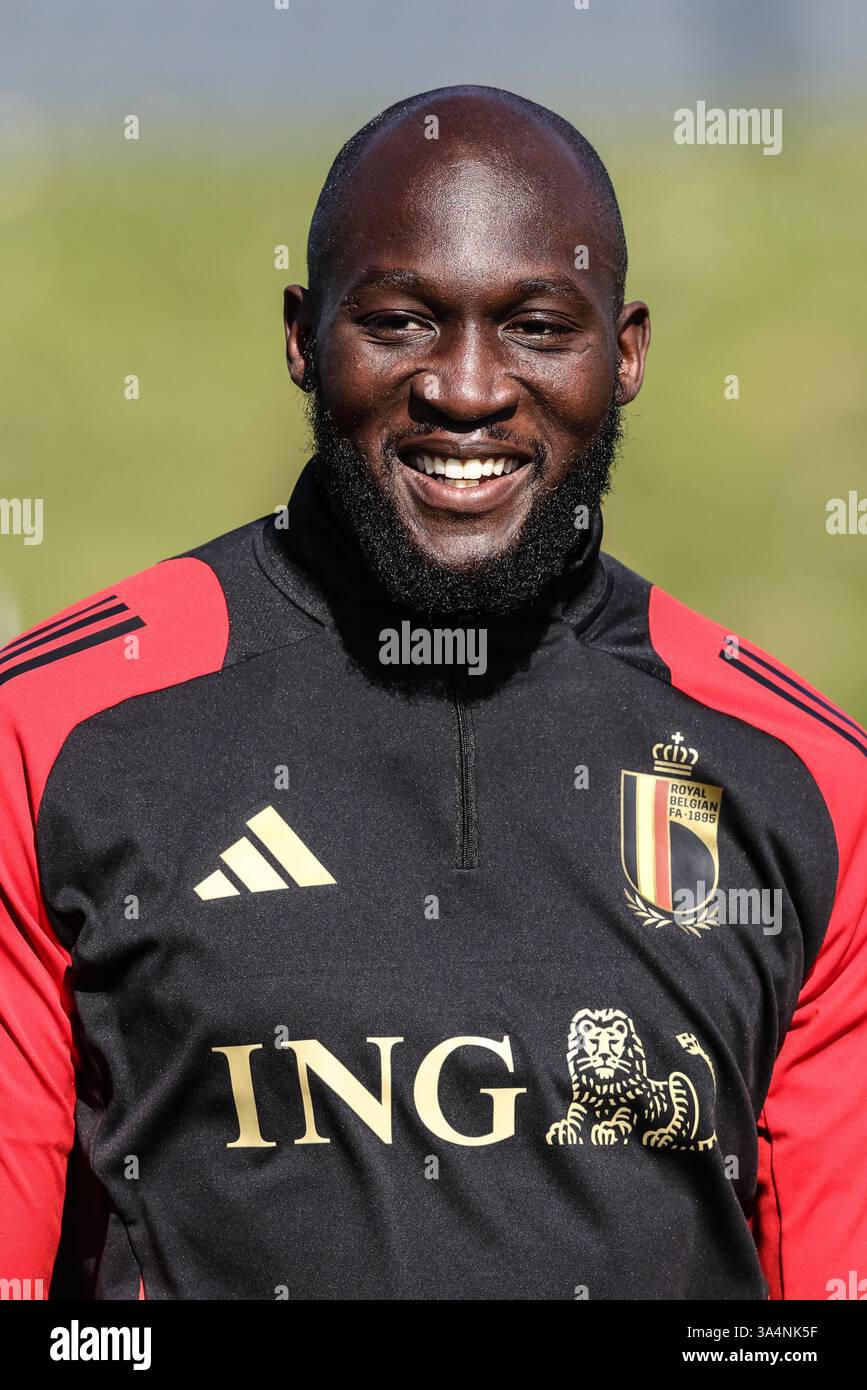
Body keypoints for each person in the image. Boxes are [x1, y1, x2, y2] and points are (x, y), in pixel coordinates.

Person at [1, 85, 865, 1302]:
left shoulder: (810, 782)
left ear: (625, 355)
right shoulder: (53, 733)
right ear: (305, 336)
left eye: (537, 326)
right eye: (402, 321)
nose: (465, 389)